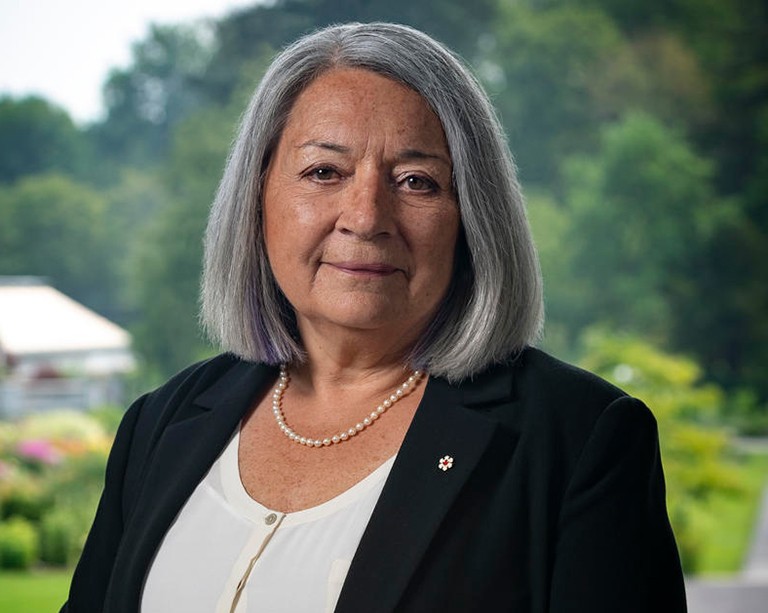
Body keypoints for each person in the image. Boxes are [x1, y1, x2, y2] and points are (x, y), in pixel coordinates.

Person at [62, 22, 687, 613]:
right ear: (257, 199)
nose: (365, 216)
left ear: (472, 215)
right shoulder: (160, 423)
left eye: (416, 181)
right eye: (323, 172)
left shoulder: (580, 440)